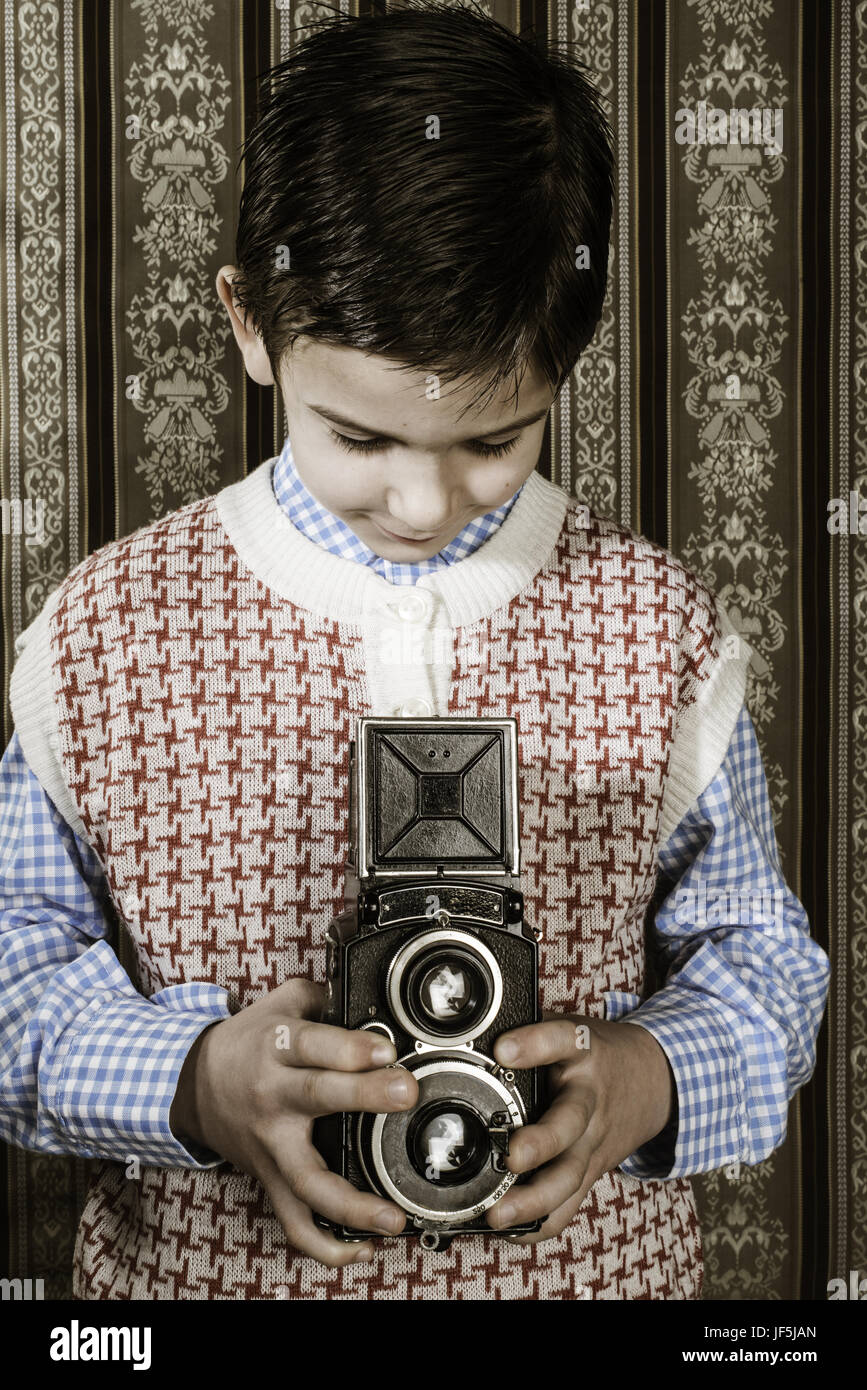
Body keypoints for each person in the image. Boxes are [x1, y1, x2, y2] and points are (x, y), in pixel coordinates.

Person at [0, 2, 829, 1301]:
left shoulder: (657, 628)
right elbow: (13, 971)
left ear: (566, 359)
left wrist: (649, 1074)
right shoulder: (104, 636)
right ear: (250, 324)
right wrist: (195, 1079)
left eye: (495, 439)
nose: (427, 502)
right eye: (364, 439)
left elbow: (764, 963)